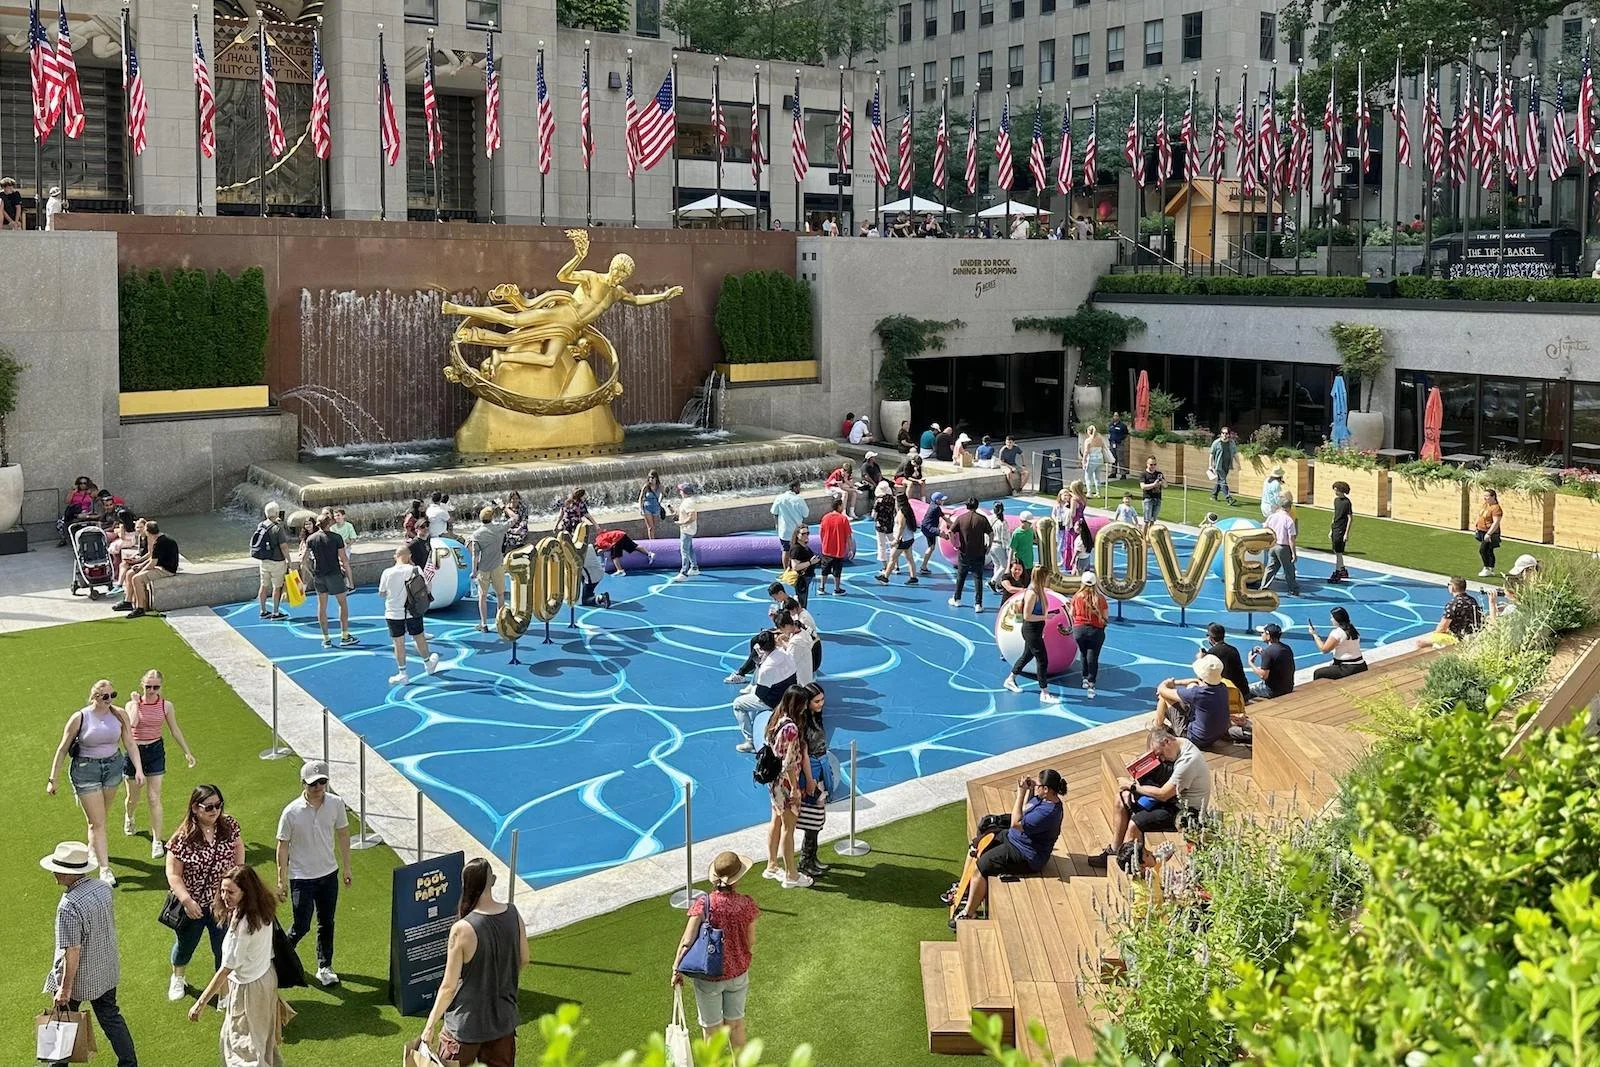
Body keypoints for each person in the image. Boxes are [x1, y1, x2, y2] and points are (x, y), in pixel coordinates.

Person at [418, 858, 527, 1067]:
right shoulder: (513, 914)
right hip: (503, 1023)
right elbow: (524, 959)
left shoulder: (461, 929)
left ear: (465, 885)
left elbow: (448, 987)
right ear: (492, 881)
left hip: (464, 1028)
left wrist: (429, 1026)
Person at [39, 840, 139, 1067]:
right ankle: (129, 1063)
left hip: (79, 977)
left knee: (61, 1022)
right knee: (112, 1017)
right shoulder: (103, 888)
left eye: (58, 869)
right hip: (106, 968)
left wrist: (64, 990)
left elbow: (72, 951)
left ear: (68, 873)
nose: (54, 873)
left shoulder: (68, 904)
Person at [188, 866, 289, 1067]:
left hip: (248, 990)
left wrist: (199, 1004)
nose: (224, 896)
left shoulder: (242, 927)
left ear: (246, 892)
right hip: (266, 980)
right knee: (261, 1042)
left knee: (242, 1050)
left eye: (231, 892)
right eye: (223, 890)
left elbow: (225, 969)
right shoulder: (263, 908)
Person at [47, 680, 143, 885]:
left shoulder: (119, 715)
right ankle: (105, 869)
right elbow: (63, 748)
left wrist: (139, 769)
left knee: (99, 819)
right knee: (98, 822)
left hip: (112, 769)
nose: (110, 700)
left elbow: (130, 743)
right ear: (95, 697)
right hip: (86, 771)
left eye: (113, 695)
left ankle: (93, 847)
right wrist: (53, 779)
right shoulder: (80, 717)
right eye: (105, 696)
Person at [1087, 726, 1212, 869]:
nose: (1161, 759)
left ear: (1166, 742)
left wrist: (1133, 786)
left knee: (1136, 824)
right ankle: (1113, 851)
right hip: (1173, 799)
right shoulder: (1178, 743)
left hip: (1185, 811)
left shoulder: (1188, 761)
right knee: (1121, 798)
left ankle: (1138, 870)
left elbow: (1164, 794)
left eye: (1160, 755)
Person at [951, 769, 1065, 925]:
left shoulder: (1048, 812)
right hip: (1013, 838)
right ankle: (965, 888)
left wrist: (1020, 793)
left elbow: (1016, 823)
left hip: (1026, 855)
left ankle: (969, 913)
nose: (1035, 785)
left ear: (1046, 789)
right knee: (977, 845)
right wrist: (1029, 790)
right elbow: (1024, 810)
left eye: (1037, 784)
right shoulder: (1042, 798)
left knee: (981, 866)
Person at [671, 851, 761, 1048]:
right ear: (737, 878)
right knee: (736, 1026)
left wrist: (676, 969)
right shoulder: (747, 904)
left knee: (711, 1030)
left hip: (708, 976)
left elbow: (687, 941)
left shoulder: (704, 903)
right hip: (738, 974)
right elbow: (751, 940)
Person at [163, 783, 243, 1003]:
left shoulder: (229, 825)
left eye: (218, 805)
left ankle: (224, 989)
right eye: (209, 807)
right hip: (194, 905)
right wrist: (187, 901)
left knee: (224, 947)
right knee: (185, 945)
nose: (215, 811)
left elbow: (238, 849)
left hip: (223, 903)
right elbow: (173, 874)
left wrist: (238, 881)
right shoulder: (182, 838)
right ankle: (178, 977)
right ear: (196, 808)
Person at [276, 759, 352, 987]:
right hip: (301, 878)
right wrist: (282, 880)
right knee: (301, 926)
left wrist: (347, 867)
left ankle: (325, 966)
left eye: (322, 782)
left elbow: (344, 834)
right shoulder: (291, 812)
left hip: (328, 874)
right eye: (313, 784)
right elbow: (282, 846)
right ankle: (279, 961)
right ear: (303, 784)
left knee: (326, 922)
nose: (318, 787)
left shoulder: (336, 804)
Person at [122, 668, 197, 858]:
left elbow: (174, 729)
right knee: (133, 797)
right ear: (142, 685)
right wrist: (137, 702)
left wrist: (187, 751)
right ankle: (130, 816)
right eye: (148, 687)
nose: (152, 691)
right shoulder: (132, 704)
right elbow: (132, 723)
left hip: (155, 751)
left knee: (154, 798)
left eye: (156, 687)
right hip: (134, 752)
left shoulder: (166, 706)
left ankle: (157, 840)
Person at [761, 687, 817, 889]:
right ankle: (791, 874)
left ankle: (772, 865)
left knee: (776, 820)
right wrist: (795, 789)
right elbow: (790, 763)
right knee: (788, 828)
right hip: (786, 783)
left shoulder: (775, 718)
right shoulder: (791, 729)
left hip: (774, 782)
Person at [378, 544, 442, 684]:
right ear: (410, 557)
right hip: (413, 611)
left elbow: (382, 593)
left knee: (398, 642)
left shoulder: (387, 572)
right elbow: (427, 587)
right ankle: (428, 663)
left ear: (395, 556)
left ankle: (403, 673)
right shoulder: (415, 569)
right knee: (419, 637)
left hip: (393, 612)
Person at [730, 631, 795, 752]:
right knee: (752, 693)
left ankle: (750, 741)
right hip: (789, 693)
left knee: (738, 704)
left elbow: (760, 694)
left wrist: (760, 665)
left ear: (760, 647)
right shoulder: (785, 653)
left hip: (774, 700)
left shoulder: (767, 667)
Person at [1152, 654, 1234, 749]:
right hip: (1214, 736)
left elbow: (1163, 690)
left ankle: (1157, 726)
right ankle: (1161, 724)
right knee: (1191, 685)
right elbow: (1196, 682)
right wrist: (1176, 683)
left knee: (1164, 696)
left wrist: (1166, 683)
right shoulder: (1222, 687)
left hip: (1193, 739)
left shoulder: (1198, 694)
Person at [1003, 568, 1060, 703]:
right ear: (1042, 578)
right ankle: (1044, 692)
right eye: (1047, 578)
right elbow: (1027, 616)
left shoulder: (1039, 590)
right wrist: (1045, 617)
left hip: (1037, 628)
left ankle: (1010, 679)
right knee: (1042, 659)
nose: (1048, 580)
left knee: (1027, 655)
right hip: (1031, 630)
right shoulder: (1032, 593)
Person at [793, 683, 832, 877]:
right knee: (812, 817)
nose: (821, 704)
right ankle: (805, 861)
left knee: (818, 816)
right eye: (817, 701)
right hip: (812, 771)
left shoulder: (816, 717)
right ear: (807, 702)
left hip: (819, 767)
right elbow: (805, 754)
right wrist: (810, 779)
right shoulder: (803, 723)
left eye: (822, 700)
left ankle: (811, 857)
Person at [303, 509, 357, 647]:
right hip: (334, 574)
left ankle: (326, 638)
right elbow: (344, 559)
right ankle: (344, 635)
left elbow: (303, 560)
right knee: (342, 604)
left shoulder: (311, 539)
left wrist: (311, 572)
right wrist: (350, 581)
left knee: (322, 606)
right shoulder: (336, 537)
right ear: (329, 523)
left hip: (319, 576)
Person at [119, 519, 178, 618]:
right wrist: (140, 566)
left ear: (148, 531)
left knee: (136, 578)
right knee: (130, 573)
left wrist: (141, 571)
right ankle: (128, 602)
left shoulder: (159, 542)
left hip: (166, 570)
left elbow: (152, 563)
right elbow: (152, 558)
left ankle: (140, 608)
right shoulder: (160, 538)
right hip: (160, 566)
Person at [470, 505, 511, 633]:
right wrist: (505, 508)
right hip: (498, 565)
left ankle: (484, 623)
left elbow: (475, 555)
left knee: (482, 596)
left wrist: (474, 571)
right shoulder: (499, 529)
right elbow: (515, 518)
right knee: (500, 595)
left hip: (484, 567)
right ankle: (501, 621)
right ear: (492, 517)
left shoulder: (476, 534)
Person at [949, 497, 991, 612]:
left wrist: (954, 543)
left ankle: (957, 599)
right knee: (978, 577)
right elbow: (991, 533)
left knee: (961, 576)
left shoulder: (961, 518)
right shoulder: (982, 519)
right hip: (979, 552)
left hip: (964, 552)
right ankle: (978, 604)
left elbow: (951, 531)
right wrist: (989, 546)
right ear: (977, 506)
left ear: (967, 506)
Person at [1070, 574, 1108, 699]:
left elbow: (1072, 614)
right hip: (1095, 631)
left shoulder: (1076, 597)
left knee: (1083, 653)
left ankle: (1084, 678)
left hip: (1079, 630)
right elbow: (1106, 616)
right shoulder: (1100, 598)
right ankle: (1091, 684)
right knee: (1093, 657)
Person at [1419, 577, 1484, 647]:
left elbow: (1442, 628)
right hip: (1473, 635)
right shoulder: (1472, 600)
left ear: (1453, 587)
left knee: (1420, 642)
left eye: (1449, 584)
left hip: (1459, 638)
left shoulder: (1453, 604)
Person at [876, 489, 921, 585]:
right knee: (910, 558)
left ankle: (885, 577)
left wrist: (896, 539)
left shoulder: (901, 513)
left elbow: (901, 526)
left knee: (892, 558)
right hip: (909, 538)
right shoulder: (908, 509)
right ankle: (913, 577)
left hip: (902, 540)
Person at [1308, 607, 1367, 681]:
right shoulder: (1352, 629)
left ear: (1337, 619)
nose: (1331, 619)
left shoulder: (1337, 633)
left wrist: (1315, 635)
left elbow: (1324, 650)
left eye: (1332, 617)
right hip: (1361, 665)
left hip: (1347, 668)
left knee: (1318, 673)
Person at [1261, 497, 1301, 596]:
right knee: (1289, 569)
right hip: (1283, 547)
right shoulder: (1289, 520)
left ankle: (1263, 586)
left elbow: (1265, 528)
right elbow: (1291, 539)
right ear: (1289, 507)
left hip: (1273, 545)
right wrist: (1294, 554)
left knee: (1271, 567)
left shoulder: (1272, 517)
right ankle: (1293, 589)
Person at [1203, 622, 1252, 702]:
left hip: (1228, 696)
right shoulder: (1233, 649)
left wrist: (1201, 659)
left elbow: (1205, 675)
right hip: (1243, 693)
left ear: (1211, 638)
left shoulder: (1212, 653)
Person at [1247, 623, 1296, 699]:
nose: (1261, 634)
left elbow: (1263, 676)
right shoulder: (1286, 648)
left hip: (1273, 691)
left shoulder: (1268, 652)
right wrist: (1263, 653)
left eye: (1263, 633)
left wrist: (1251, 663)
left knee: (1246, 691)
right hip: (1288, 687)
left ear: (1268, 635)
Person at [817, 497, 853, 595]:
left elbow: (821, 532)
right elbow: (848, 535)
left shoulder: (825, 517)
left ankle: (821, 587)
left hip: (826, 549)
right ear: (839, 506)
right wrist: (850, 549)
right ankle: (837, 589)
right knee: (837, 570)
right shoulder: (843, 519)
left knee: (824, 569)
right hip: (838, 550)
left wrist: (823, 543)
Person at [1488, 555, 1541, 619]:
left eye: (1520, 573)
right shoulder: (1535, 588)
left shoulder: (1535, 591)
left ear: (1530, 570)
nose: (1519, 577)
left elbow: (1495, 627)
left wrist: (1492, 605)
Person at [670, 483, 700, 580]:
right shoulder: (688, 501)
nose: (679, 492)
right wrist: (673, 511)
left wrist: (681, 523)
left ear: (685, 492)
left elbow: (692, 517)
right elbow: (683, 514)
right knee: (689, 549)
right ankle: (694, 568)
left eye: (681, 490)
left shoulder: (688, 503)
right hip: (688, 530)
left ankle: (683, 573)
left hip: (687, 530)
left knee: (684, 551)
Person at [1474, 488, 1504, 577]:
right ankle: (1491, 568)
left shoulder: (1496, 508)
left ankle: (1486, 567)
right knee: (1489, 550)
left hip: (1490, 532)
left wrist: (1489, 534)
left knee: (1482, 550)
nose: (1485, 498)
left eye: (1487, 496)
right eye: (1484, 496)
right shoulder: (1486, 505)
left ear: (1493, 497)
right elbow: (1481, 516)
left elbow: (1496, 522)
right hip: (1482, 530)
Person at [917, 491, 949, 573]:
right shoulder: (936, 508)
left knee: (931, 547)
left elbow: (941, 514)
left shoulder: (932, 505)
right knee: (943, 534)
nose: (943, 501)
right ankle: (953, 541)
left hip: (925, 527)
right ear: (937, 501)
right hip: (930, 528)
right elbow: (945, 518)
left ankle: (923, 567)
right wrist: (954, 525)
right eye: (942, 500)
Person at [787, 524, 818, 608]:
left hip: (806, 577)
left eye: (807, 533)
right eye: (803, 533)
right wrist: (810, 562)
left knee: (803, 600)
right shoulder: (796, 549)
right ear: (797, 535)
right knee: (802, 603)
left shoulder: (803, 546)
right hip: (802, 578)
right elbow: (795, 567)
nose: (806, 535)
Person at [1328, 480, 1353, 582]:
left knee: (1338, 552)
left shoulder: (1347, 503)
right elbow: (1335, 515)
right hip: (1335, 528)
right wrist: (1331, 529)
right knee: (1337, 551)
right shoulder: (1336, 501)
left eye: (1337, 490)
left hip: (1341, 530)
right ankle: (1342, 569)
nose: (1335, 492)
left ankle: (1338, 572)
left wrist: (1346, 533)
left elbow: (1350, 518)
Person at [870, 480, 897, 568]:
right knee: (893, 544)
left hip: (880, 525)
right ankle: (896, 565)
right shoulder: (893, 499)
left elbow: (874, 515)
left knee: (881, 545)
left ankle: (885, 566)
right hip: (890, 524)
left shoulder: (878, 501)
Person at [1209, 427, 1238, 505]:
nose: (1224, 435)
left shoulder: (1232, 443)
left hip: (1227, 465)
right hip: (1218, 465)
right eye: (1223, 433)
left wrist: (1239, 464)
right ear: (1221, 434)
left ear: (1229, 434)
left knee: (1220, 481)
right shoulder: (1216, 443)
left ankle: (1214, 495)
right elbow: (1211, 455)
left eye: (1226, 433)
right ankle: (1229, 498)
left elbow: (1235, 454)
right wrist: (1210, 466)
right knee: (1223, 481)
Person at [1079, 425, 1108, 496]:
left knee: (1088, 476)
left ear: (1089, 432)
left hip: (1092, 459)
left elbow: (1086, 452)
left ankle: (1089, 492)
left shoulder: (1088, 441)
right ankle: (1098, 492)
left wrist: (1083, 461)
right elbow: (1104, 448)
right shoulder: (1100, 439)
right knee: (1097, 476)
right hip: (1100, 459)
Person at [1139, 458, 1166, 529]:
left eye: (1155, 464)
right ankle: (1143, 537)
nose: (1153, 466)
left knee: (1152, 520)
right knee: (1146, 520)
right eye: (1151, 464)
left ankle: (1150, 537)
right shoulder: (1143, 474)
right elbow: (1143, 486)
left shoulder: (1159, 474)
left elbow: (1166, 486)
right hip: (1148, 499)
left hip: (1157, 499)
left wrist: (1162, 481)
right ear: (1147, 464)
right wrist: (1154, 484)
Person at [638, 469, 664, 540]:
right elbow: (640, 497)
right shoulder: (646, 486)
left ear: (656, 478)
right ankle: (652, 542)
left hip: (656, 508)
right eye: (649, 477)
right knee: (650, 527)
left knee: (654, 527)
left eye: (652, 477)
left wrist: (659, 501)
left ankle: (653, 540)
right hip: (647, 508)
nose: (650, 479)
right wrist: (640, 508)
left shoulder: (659, 486)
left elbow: (662, 494)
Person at [1106, 413, 1129, 478]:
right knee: (1113, 459)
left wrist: (1122, 440)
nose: (1115, 417)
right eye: (1114, 416)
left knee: (1121, 459)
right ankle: (1113, 472)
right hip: (1112, 444)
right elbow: (1109, 432)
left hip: (1119, 444)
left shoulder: (1122, 426)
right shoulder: (1111, 425)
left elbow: (1126, 434)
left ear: (1119, 417)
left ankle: (1123, 474)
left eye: (1116, 416)